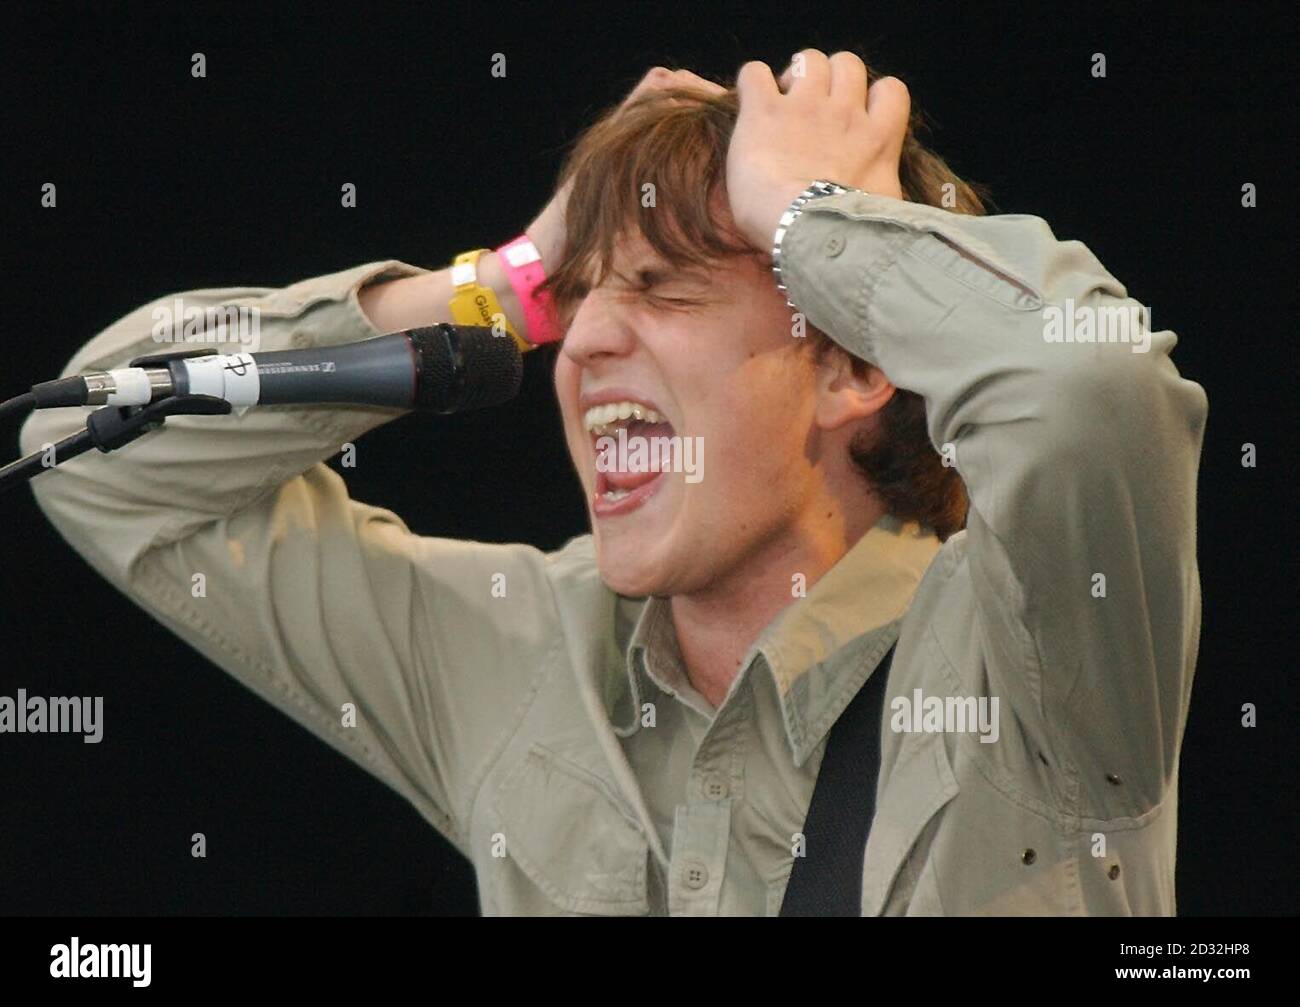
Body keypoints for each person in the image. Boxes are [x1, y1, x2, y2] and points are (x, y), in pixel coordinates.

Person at [21, 52, 1207, 915]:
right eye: (579, 296)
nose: (581, 344)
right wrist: (502, 285)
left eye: (663, 287)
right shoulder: (520, 650)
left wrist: (818, 221)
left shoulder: (1038, 648)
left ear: (851, 361)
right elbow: (94, 435)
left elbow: (1087, 388)